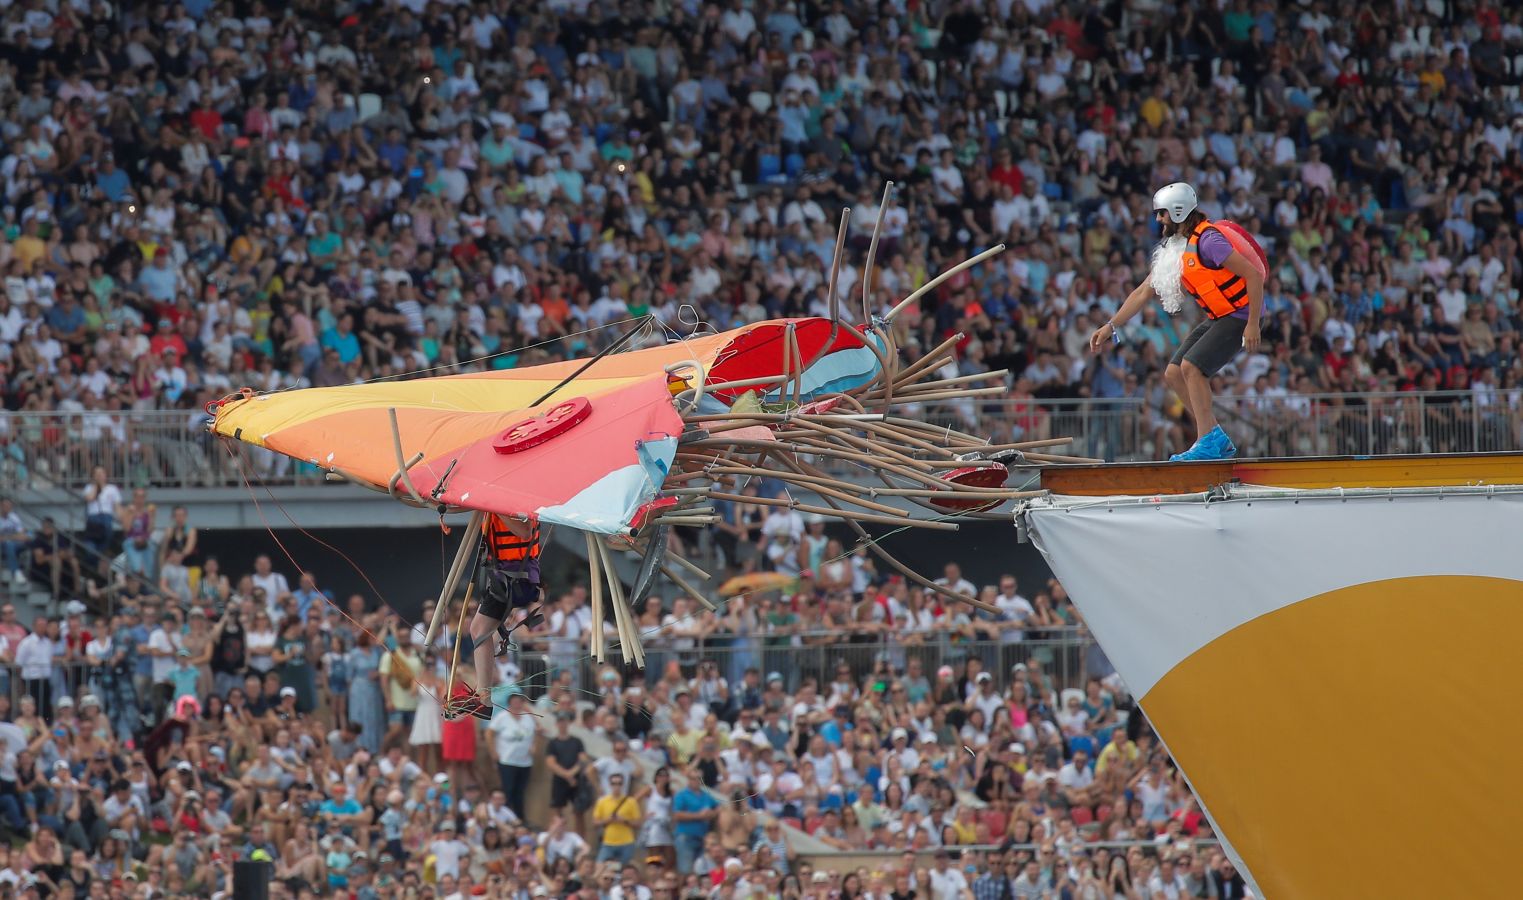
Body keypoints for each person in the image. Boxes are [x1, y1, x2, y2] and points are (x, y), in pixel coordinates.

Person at [1088, 182, 1265, 461]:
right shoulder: (1176, 247)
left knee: (1192, 368)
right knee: (1173, 373)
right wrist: (1111, 326)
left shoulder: (1209, 241)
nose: (1158, 219)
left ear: (1178, 213)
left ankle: (1206, 441)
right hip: (1219, 316)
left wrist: (1253, 323)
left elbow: (1254, 275)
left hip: (1241, 315)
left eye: (1162, 213)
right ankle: (1215, 437)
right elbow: (1143, 291)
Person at [449, 513, 543, 720]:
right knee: (478, 630)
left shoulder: (511, 502)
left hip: (514, 577)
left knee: (479, 630)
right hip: (506, 575)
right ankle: (484, 698)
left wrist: (494, 508)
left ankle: (484, 699)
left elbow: (524, 531)